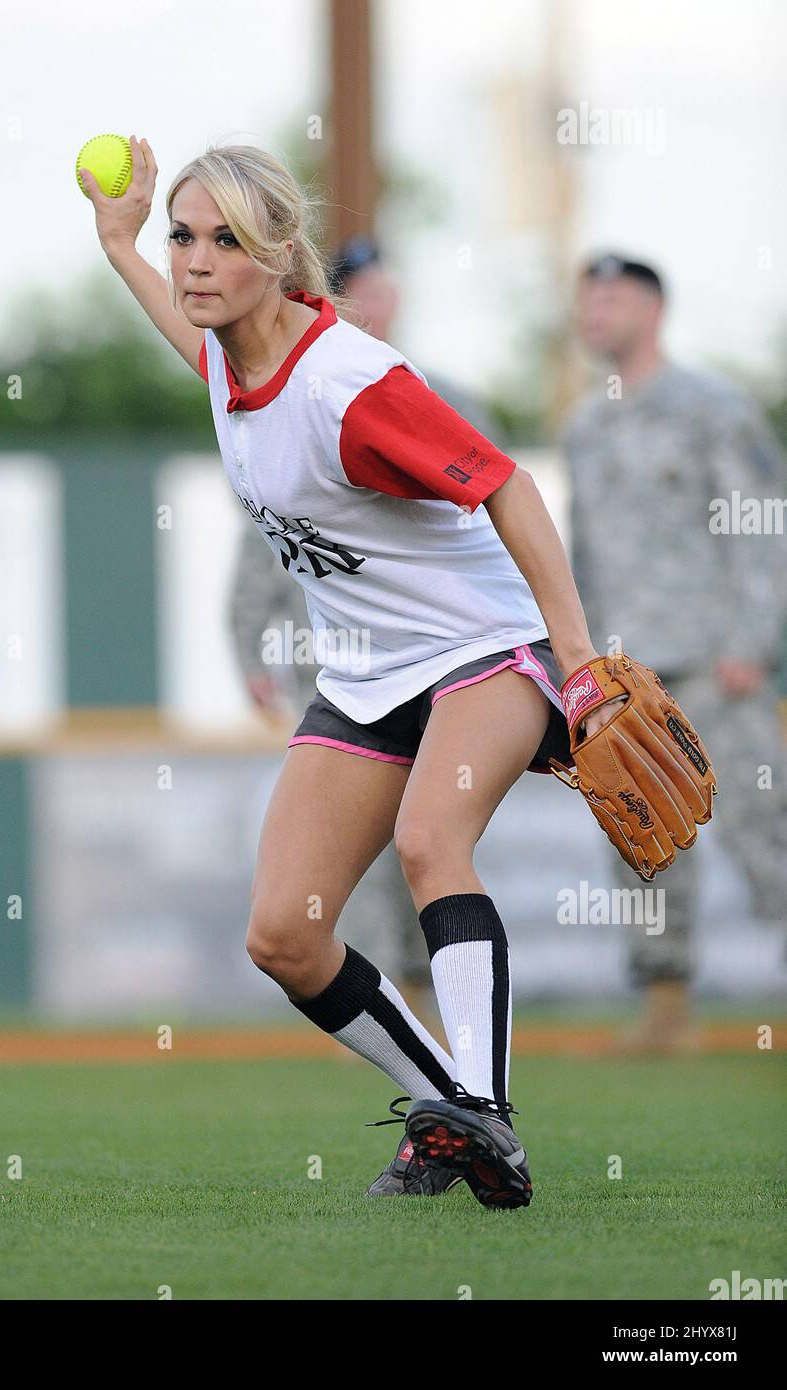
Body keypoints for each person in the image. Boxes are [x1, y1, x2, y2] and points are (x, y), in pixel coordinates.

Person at [80, 136, 623, 1208]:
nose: (192, 261)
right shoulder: (228, 360)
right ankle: (453, 1115)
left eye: (222, 240)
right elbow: (184, 335)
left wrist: (575, 662)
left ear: (279, 255)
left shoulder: (351, 384)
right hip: (370, 672)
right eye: (183, 237)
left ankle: (488, 1108)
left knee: (431, 838)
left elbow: (508, 486)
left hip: (484, 648)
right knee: (283, 931)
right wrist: (117, 240)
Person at [225, 234, 505, 1047]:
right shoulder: (268, 391)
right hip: (350, 668)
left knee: (431, 843)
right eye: (353, 290)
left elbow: (501, 509)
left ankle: (472, 1069)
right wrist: (251, 651)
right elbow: (262, 543)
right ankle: (406, 1024)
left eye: (379, 286)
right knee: (343, 880)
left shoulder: (433, 392)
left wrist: (563, 649)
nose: (369, 302)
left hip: (455, 657)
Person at [564, 253, 787, 1052]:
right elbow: (579, 557)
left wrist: (749, 641)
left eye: (612, 297)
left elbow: (760, 526)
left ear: (653, 309)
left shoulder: (711, 409)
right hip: (627, 685)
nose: (594, 312)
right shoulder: (584, 425)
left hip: (712, 664)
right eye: (587, 298)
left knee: (766, 824)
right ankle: (665, 1008)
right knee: (640, 844)